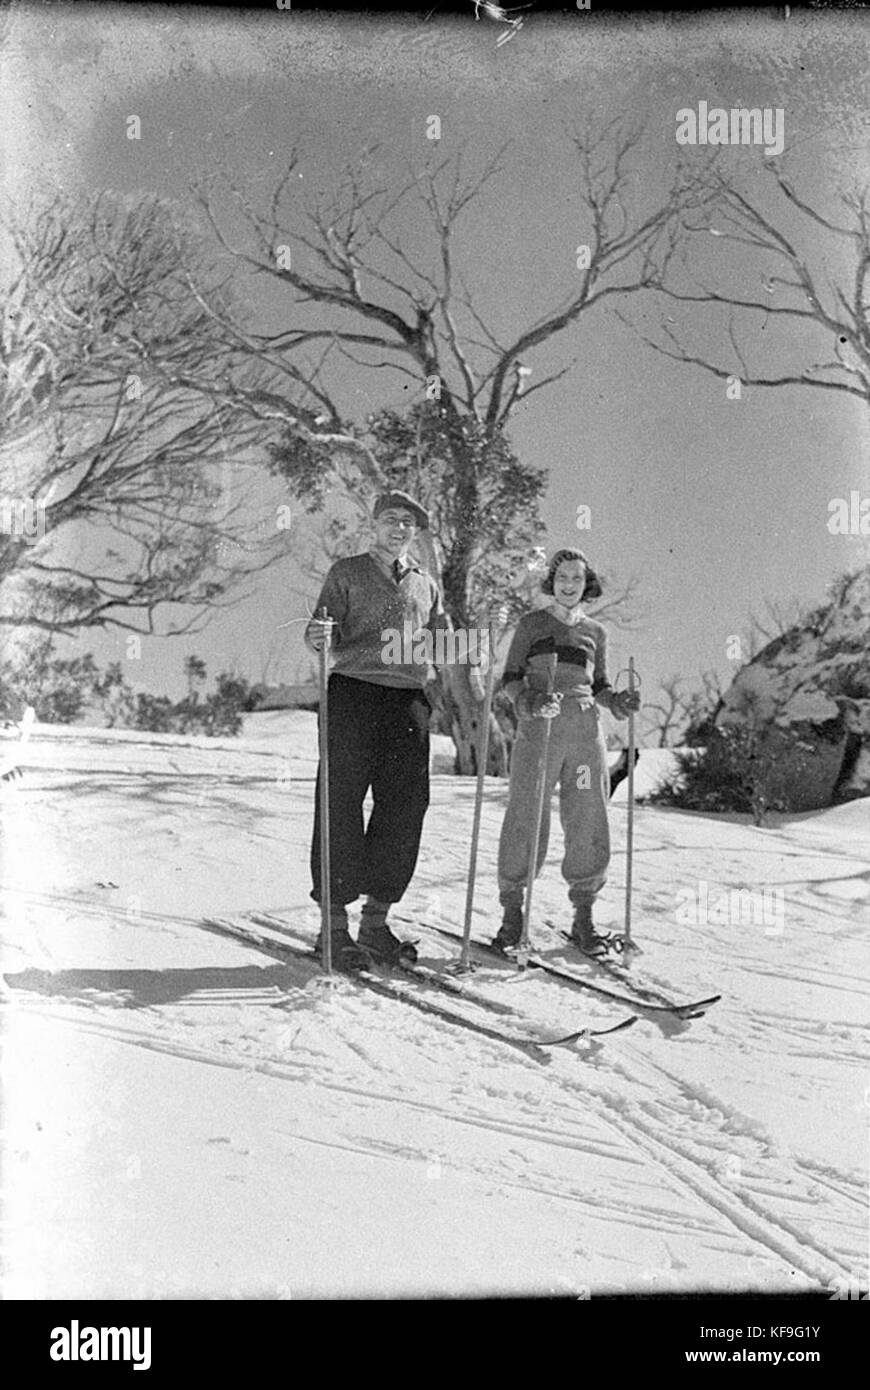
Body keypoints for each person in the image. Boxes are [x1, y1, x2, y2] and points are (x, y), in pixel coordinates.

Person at [304, 490, 449, 970]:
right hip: (353, 691)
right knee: (341, 799)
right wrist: (319, 635)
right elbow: (321, 629)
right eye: (391, 519)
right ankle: (334, 926)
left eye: (408, 522)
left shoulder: (426, 583)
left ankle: (375, 922)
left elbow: (442, 642)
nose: (400, 528)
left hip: (406, 697)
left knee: (407, 803)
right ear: (375, 524)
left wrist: (482, 638)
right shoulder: (347, 572)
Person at [493, 547, 641, 957]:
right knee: (527, 811)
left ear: (586, 583)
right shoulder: (531, 625)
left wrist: (618, 702)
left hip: (584, 731)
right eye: (562, 577)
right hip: (541, 727)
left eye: (577, 577)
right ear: (552, 581)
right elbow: (510, 679)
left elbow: (600, 686)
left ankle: (584, 917)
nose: (569, 584)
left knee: (588, 813)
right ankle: (512, 916)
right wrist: (530, 702)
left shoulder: (596, 632)